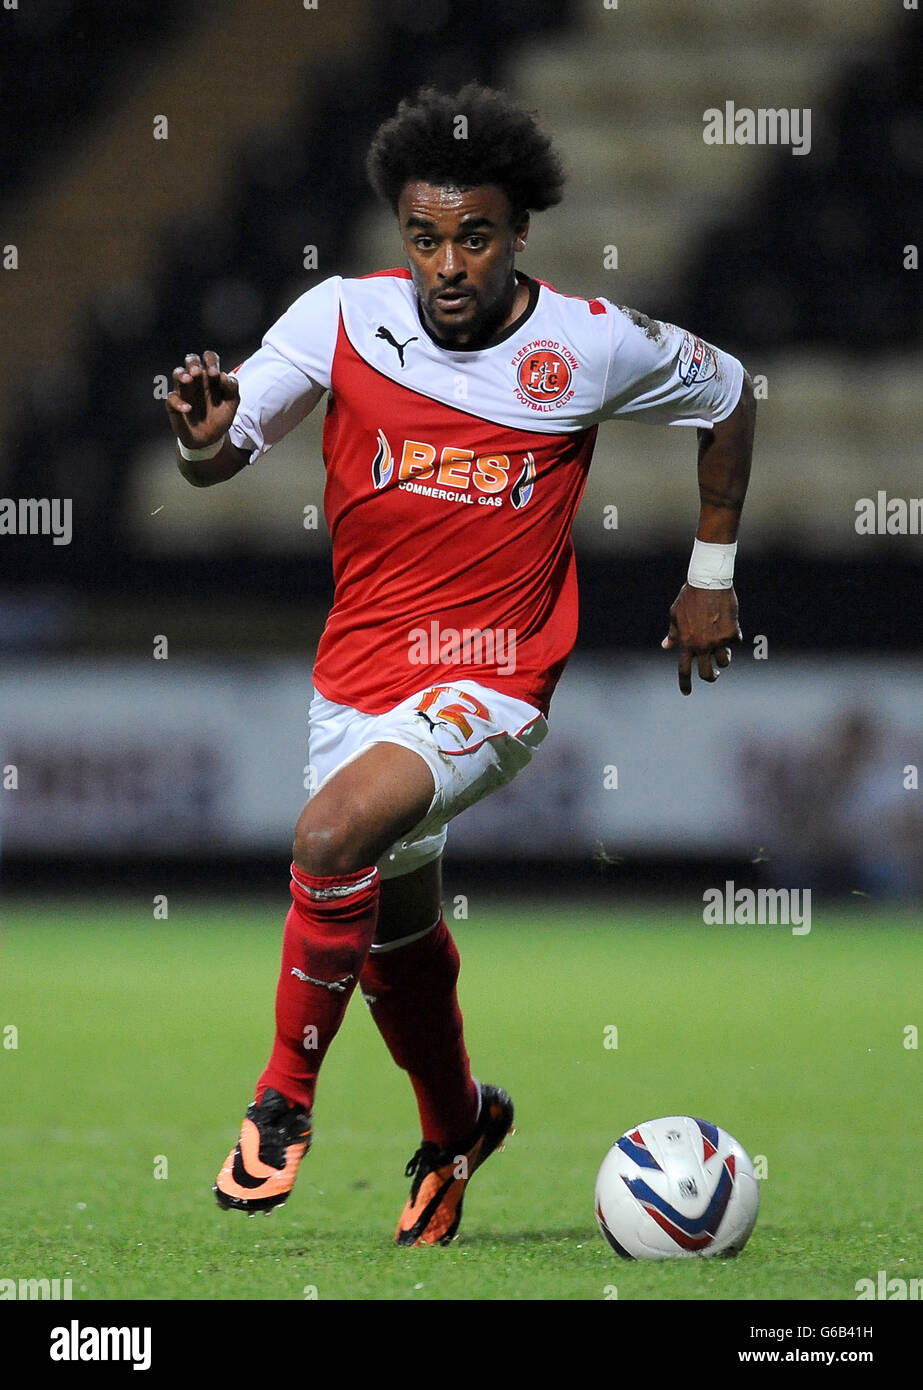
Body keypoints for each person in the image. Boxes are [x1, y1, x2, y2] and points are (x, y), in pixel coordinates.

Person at [165, 83, 756, 1246]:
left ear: (517, 232)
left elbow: (730, 393)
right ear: (403, 234)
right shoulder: (337, 317)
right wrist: (198, 437)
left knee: (330, 838)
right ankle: (457, 1124)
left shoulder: (583, 345)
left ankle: (282, 1102)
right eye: (426, 237)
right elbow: (219, 455)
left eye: (474, 236)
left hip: (492, 678)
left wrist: (710, 576)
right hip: (358, 683)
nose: (448, 264)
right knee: (391, 939)